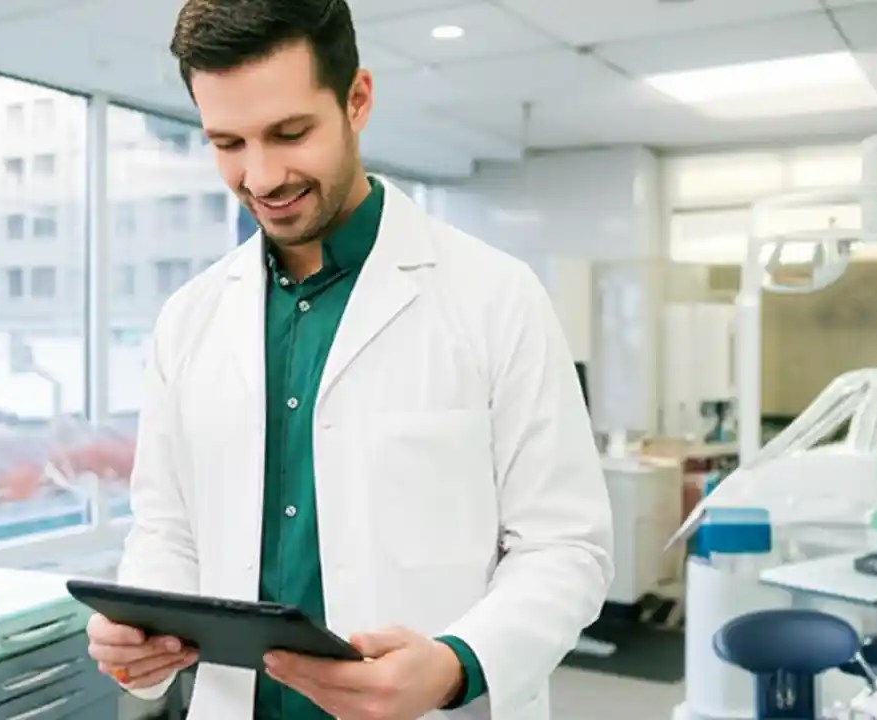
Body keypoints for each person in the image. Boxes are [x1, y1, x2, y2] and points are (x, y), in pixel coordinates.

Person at [85, 1, 614, 718]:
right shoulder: (189, 319)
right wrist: (136, 642)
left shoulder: (496, 297)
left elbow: (566, 547)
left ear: (356, 99)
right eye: (227, 142)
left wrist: (457, 664)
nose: (262, 176)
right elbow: (168, 531)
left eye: (290, 133)